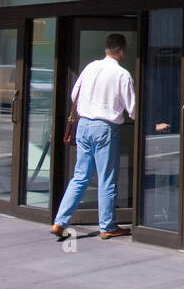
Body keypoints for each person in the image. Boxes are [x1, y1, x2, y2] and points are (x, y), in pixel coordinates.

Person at [50, 33, 136, 240]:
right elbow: (132, 108)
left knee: (80, 176)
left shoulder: (90, 67)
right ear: (122, 51)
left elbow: (74, 94)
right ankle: (107, 226)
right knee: (107, 178)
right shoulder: (122, 75)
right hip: (105, 128)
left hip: (83, 125)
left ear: (106, 49)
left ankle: (60, 222)